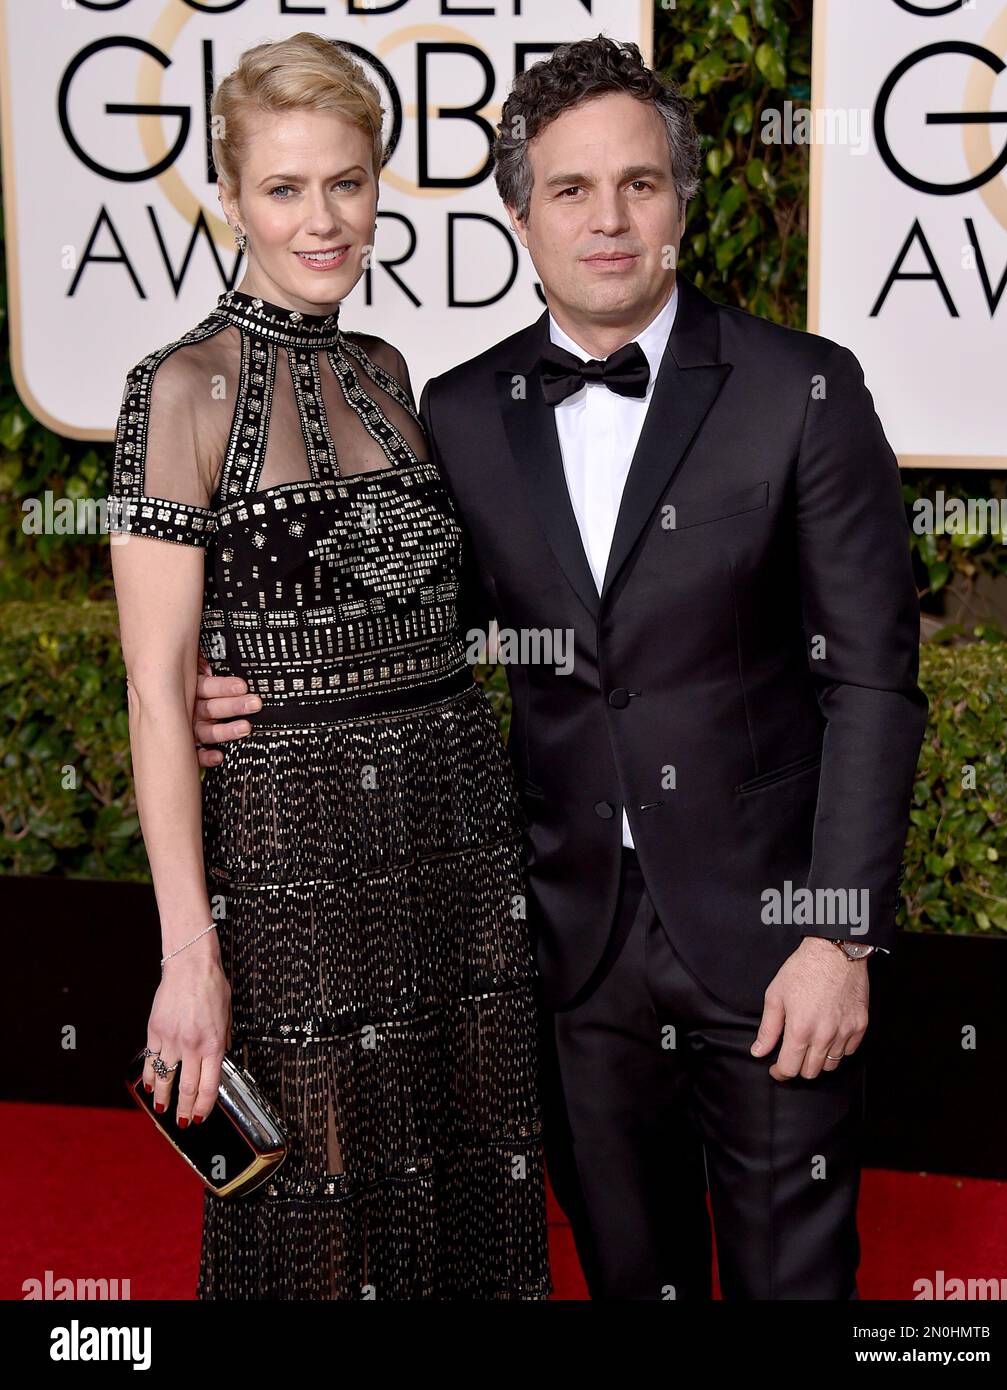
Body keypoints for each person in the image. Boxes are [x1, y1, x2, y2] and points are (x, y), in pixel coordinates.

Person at [194, 36, 928, 1299]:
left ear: (680, 207)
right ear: (520, 217)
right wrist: (249, 690)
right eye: (571, 190)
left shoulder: (800, 388)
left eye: (638, 185)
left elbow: (869, 679)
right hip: (566, 950)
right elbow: (426, 626)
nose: (607, 219)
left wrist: (840, 937)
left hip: (772, 944)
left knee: (788, 1280)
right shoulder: (465, 411)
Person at [107, 31, 550, 1301]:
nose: (323, 219)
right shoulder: (178, 392)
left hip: (452, 826)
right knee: (313, 1192)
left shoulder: (389, 373)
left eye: (346, 183)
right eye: (287, 188)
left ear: (378, 187)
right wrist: (187, 950)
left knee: (469, 1154)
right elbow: (154, 687)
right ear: (232, 198)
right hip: (291, 842)